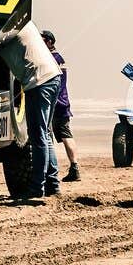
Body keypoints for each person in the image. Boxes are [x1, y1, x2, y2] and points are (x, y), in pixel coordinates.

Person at [0, 20, 63, 201]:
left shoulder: (4, 29)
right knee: (46, 134)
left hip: (38, 81)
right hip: (52, 76)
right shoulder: (22, 23)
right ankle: (53, 184)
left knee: (38, 136)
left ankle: (36, 188)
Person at [41, 30, 80, 182]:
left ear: (50, 42)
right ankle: (73, 167)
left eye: (42, 40)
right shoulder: (58, 58)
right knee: (64, 135)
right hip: (62, 101)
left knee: (62, 135)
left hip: (56, 102)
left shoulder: (52, 58)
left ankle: (73, 168)